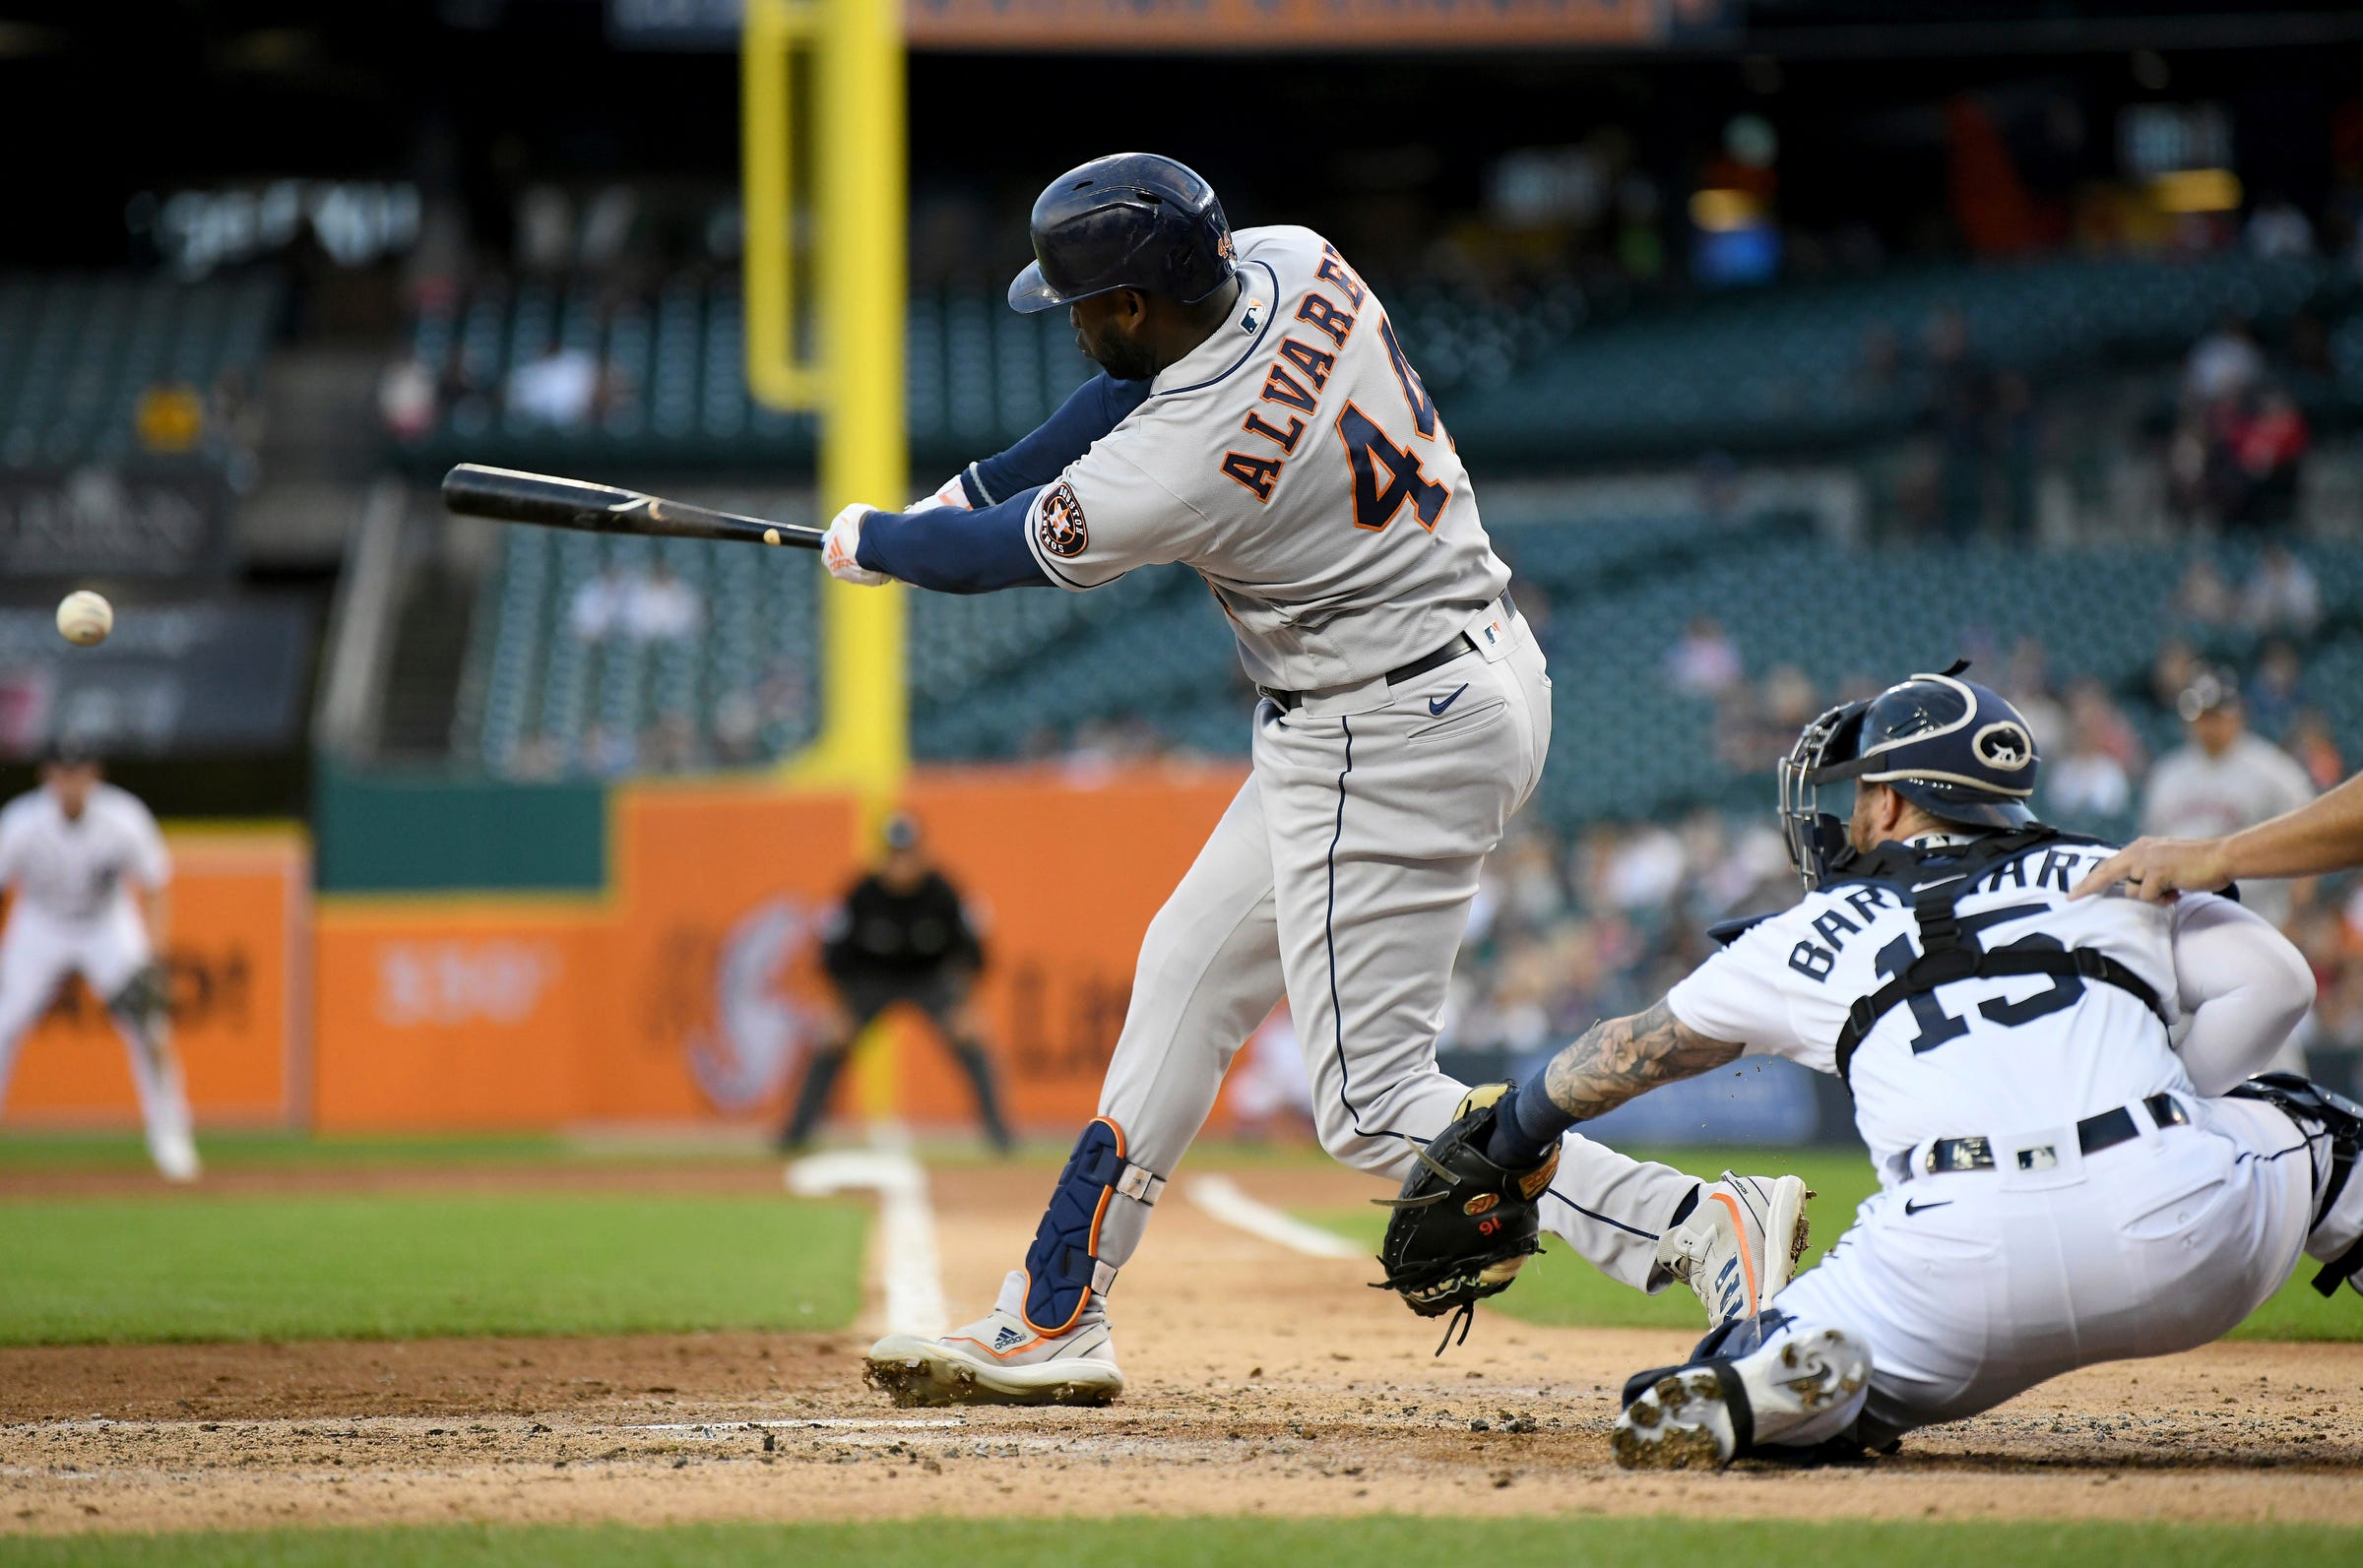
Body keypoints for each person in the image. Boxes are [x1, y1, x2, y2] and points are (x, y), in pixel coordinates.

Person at [831, 154, 1809, 1407]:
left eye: (1082, 304)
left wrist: (877, 541)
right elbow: (1104, 414)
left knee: (1372, 1104)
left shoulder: (1183, 462)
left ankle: (1689, 1220)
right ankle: (1055, 1310)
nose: (1070, 323)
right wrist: (954, 493)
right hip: (1468, 663)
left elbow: (996, 556)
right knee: (1185, 969)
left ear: (1132, 301)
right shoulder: (1292, 255)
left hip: (1381, 726)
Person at [1469, 665, 2357, 1469]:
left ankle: (1773, 1383)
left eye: (1861, 792)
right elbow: (2279, 984)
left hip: (1951, 1263)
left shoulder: (1802, 933)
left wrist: (1513, 1133)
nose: (1850, 813)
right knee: (2319, 1128)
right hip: (2180, 1228)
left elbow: (1628, 1052)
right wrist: (2174, 1097)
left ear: (1892, 804)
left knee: (1782, 1359)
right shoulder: (2113, 871)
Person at [0, 741, 197, 1181]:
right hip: (41, 923)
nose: (71, 780)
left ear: (95, 773)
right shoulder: (20, 822)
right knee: (3, 1024)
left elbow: (155, 884)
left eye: (79, 770)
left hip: (106, 924)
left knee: (150, 1026)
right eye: (62, 771)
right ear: (46, 775)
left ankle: (171, 1138)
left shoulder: (124, 817)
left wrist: (154, 957)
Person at [779, 813, 1012, 1154]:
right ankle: (795, 1133)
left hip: (931, 980)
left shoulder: (943, 891)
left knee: (973, 1043)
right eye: (894, 855)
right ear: (883, 857)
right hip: (871, 981)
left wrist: (965, 1006)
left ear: (920, 854)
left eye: (907, 855)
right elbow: (832, 954)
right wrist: (838, 1008)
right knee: (828, 1044)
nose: (900, 864)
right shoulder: (861, 893)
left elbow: (974, 952)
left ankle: (1001, 1136)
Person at [2139, 668, 2316, 935]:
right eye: (2201, 717)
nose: (2209, 726)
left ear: (2238, 714)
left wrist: (2297, 915)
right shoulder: (2167, 775)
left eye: (2216, 716)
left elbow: (2308, 841)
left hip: (2258, 917)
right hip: (2183, 917)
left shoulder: (2274, 771)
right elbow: (2150, 849)